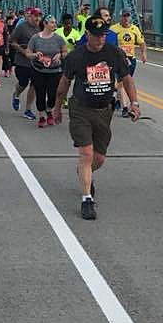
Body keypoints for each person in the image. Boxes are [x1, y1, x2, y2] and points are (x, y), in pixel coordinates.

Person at [54, 15, 139, 220]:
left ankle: (86, 174)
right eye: (96, 35)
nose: (101, 39)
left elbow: (126, 79)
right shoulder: (76, 57)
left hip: (104, 110)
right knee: (86, 153)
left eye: (103, 35)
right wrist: (57, 107)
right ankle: (86, 200)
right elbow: (65, 83)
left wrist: (134, 103)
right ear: (88, 34)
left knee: (99, 158)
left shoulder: (114, 53)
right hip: (81, 109)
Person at [26, 15, 68, 127]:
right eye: (52, 22)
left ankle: (49, 110)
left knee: (53, 95)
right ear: (45, 24)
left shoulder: (58, 38)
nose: (54, 24)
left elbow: (65, 52)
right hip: (38, 70)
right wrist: (35, 55)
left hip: (55, 71)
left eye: (55, 22)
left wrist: (60, 55)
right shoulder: (35, 38)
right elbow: (28, 53)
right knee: (40, 94)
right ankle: (42, 116)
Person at [110, 10, 147, 116]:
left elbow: (142, 43)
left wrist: (144, 53)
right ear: (120, 17)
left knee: (127, 83)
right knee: (121, 83)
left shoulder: (134, 29)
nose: (126, 18)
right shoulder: (114, 29)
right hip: (118, 59)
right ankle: (125, 108)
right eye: (124, 16)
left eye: (128, 16)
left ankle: (117, 100)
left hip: (131, 59)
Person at [9, 8, 41, 120]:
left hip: (36, 62)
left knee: (34, 85)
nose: (38, 18)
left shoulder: (40, 28)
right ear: (30, 16)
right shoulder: (22, 27)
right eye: (36, 16)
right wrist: (23, 51)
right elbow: (12, 41)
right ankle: (16, 94)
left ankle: (28, 110)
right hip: (22, 61)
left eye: (39, 16)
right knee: (23, 83)